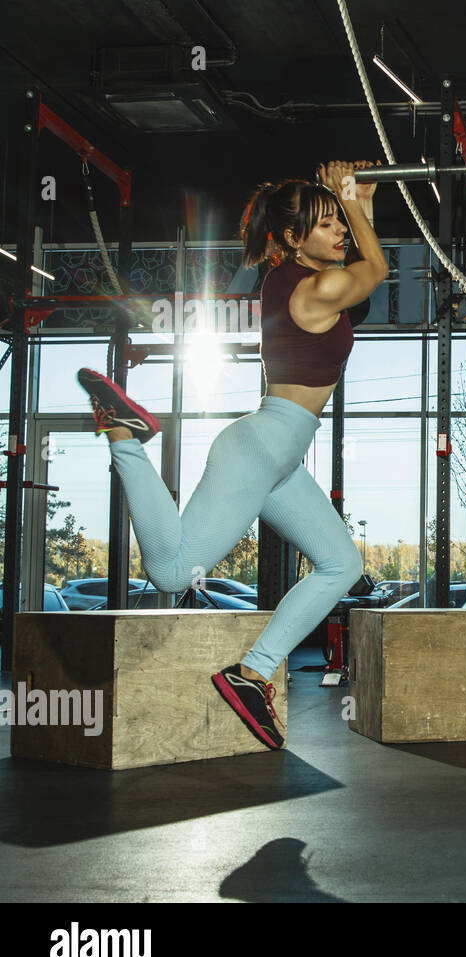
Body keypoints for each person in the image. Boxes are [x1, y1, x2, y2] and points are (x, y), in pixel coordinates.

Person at [76, 160, 387, 749]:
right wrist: (350, 203)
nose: (338, 232)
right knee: (170, 571)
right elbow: (375, 270)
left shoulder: (298, 278)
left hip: (278, 460)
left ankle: (252, 674)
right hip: (262, 449)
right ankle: (127, 439)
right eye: (326, 226)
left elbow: (362, 274)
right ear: (294, 239)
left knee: (341, 565)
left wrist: (358, 205)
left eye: (337, 224)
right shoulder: (311, 287)